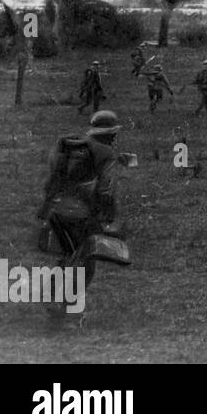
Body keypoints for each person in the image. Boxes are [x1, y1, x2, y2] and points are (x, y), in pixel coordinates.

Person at [37, 110, 128, 293]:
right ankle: (66, 305)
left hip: (57, 209)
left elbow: (53, 176)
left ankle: (53, 298)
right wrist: (109, 218)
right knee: (86, 262)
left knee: (68, 255)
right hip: (82, 214)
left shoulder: (69, 146)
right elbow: (106, 190)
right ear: (111, 135)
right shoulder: (106, 154)